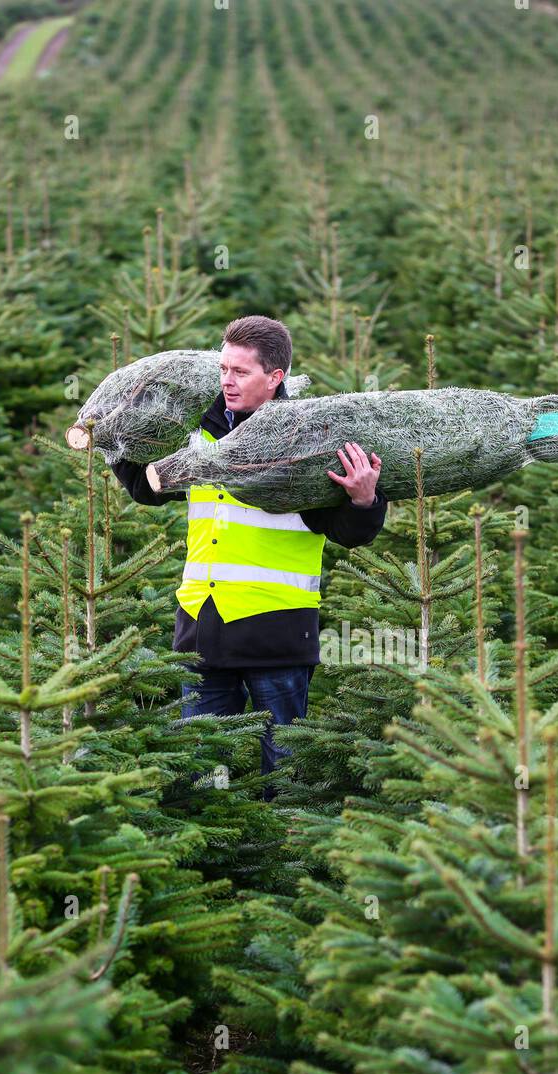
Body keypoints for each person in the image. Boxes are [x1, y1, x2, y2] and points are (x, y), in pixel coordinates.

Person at [110, 315, 388, 799]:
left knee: (282, 777)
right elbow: (146, 487)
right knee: (194, 768)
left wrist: (365, 501)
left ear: (274, 377)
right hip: (201, 628)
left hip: (275, 636)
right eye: (223, 369)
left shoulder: (306, 441)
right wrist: (116, 434)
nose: (226, 381)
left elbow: (346, 532)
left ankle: (277, 864)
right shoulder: (201, 433)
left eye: (240, 372)